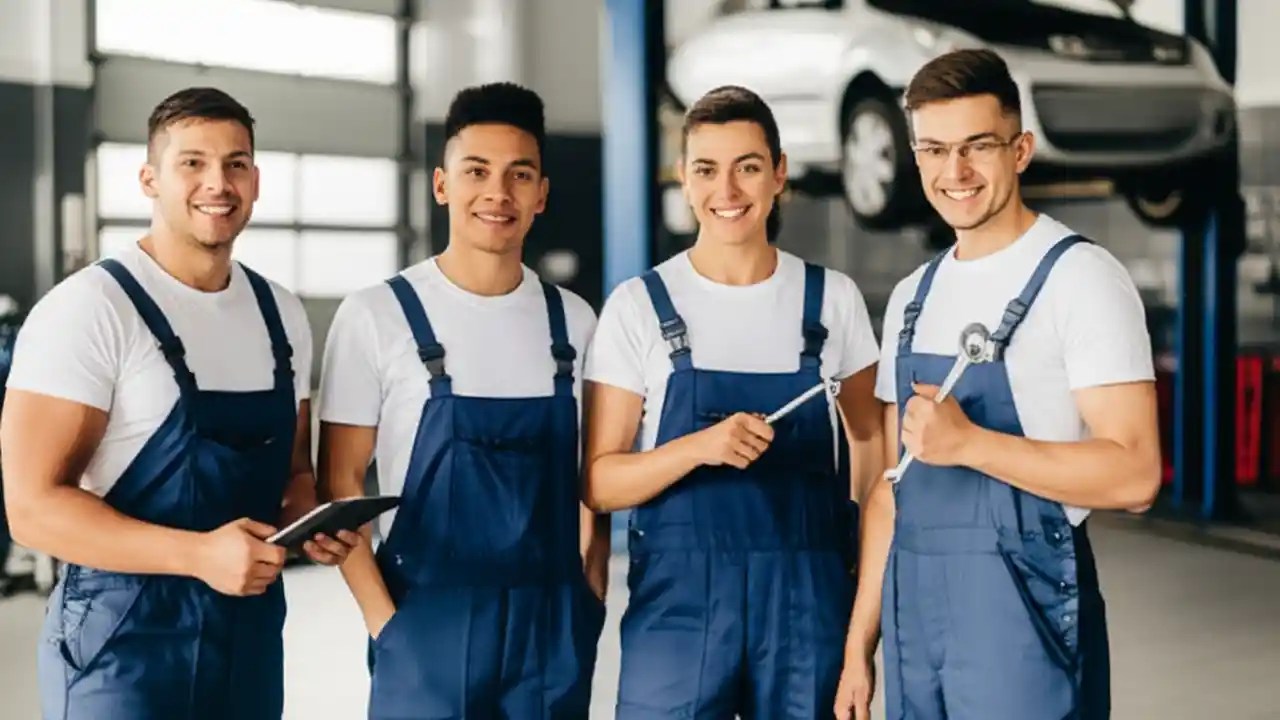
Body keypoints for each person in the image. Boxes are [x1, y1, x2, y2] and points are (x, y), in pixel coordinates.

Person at [0, 87, 359, 720]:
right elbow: (31, 510)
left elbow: (294, 473)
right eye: (192, 162)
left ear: (255, 179)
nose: (217, 183)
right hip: (122, 647)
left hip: (247, 637)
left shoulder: (282, 315)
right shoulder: (89, 310)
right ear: (149, 179)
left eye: (236, 163)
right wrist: (198, 556)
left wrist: (314, 522)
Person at [835, 49, 1161, 720]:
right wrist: (858, 647)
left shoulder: (1081, 279)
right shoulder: (910, 298)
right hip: (913, 627)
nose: (953, 172)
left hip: (1023, 623)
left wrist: (971, 444)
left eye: (976, 147)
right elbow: (892, 493)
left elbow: (1135, 475)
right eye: (932, 149)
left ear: (1021, 150)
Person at [583, 85, 884, 719]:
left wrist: (852, 563)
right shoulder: (640, 307)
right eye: (706, 170)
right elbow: (601, 482)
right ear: (684, 182)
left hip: (807, 600)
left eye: (747, 167)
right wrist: (699, 447)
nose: (728, 191)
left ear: (779, 175)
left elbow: (871, 442)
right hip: (679, 606)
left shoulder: (832, 301)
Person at [317, 82, 609, 719]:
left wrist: (591, 589)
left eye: (519, 174)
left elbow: (596, 476)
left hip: (551, 627)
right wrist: (385, 625)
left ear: (542, 194)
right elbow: (338, 481)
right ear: (443, 184)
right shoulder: (377, 315)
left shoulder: (577, 323)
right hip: (424, 624)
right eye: (476, 171)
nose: (498, 193)